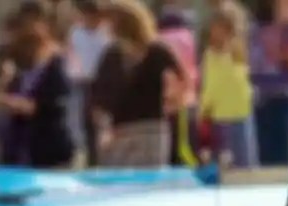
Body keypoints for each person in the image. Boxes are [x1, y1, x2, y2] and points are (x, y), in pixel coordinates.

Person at [90, 0, 186, 167]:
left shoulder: (157, 50)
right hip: (120, 130)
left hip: (151, 128)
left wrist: (174, 102)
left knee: (148, 186)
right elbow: (98, 96)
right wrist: (103, 128)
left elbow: (183, 77)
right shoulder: (111, 55)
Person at [0, 1, 74, 168]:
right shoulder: (20, 62)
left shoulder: (59, 62)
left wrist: (8, 102)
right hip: (20, 147)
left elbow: (54, 105)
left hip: (49, 148)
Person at [249, 0, 288, 165]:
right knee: (265, 143)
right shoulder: (258, 29)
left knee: (284, 141)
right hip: (263, 92)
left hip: (287, 91)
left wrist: (287, 30)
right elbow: (254, 60)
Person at [199, 1, 256, 169]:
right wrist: (204, 109)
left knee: (244, 162)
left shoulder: (238, 53)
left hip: (240, 113)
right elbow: (210, 85)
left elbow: (240, 83)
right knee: (224, 162)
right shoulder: (211, 55)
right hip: (221, 116)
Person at [67, 0, 108, 165]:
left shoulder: (106, 34)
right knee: (83, 126)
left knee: (100, 125)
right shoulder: (76, 33)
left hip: (102, 83)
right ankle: (88, 159)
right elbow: (72, 57)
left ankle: (99, 159)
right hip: (81, 83)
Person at [156, 7, 197, 165]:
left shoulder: (160, 40)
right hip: (186, 97)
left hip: (166, 98)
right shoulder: (188, 39)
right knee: (186, 144)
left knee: (170, 145)